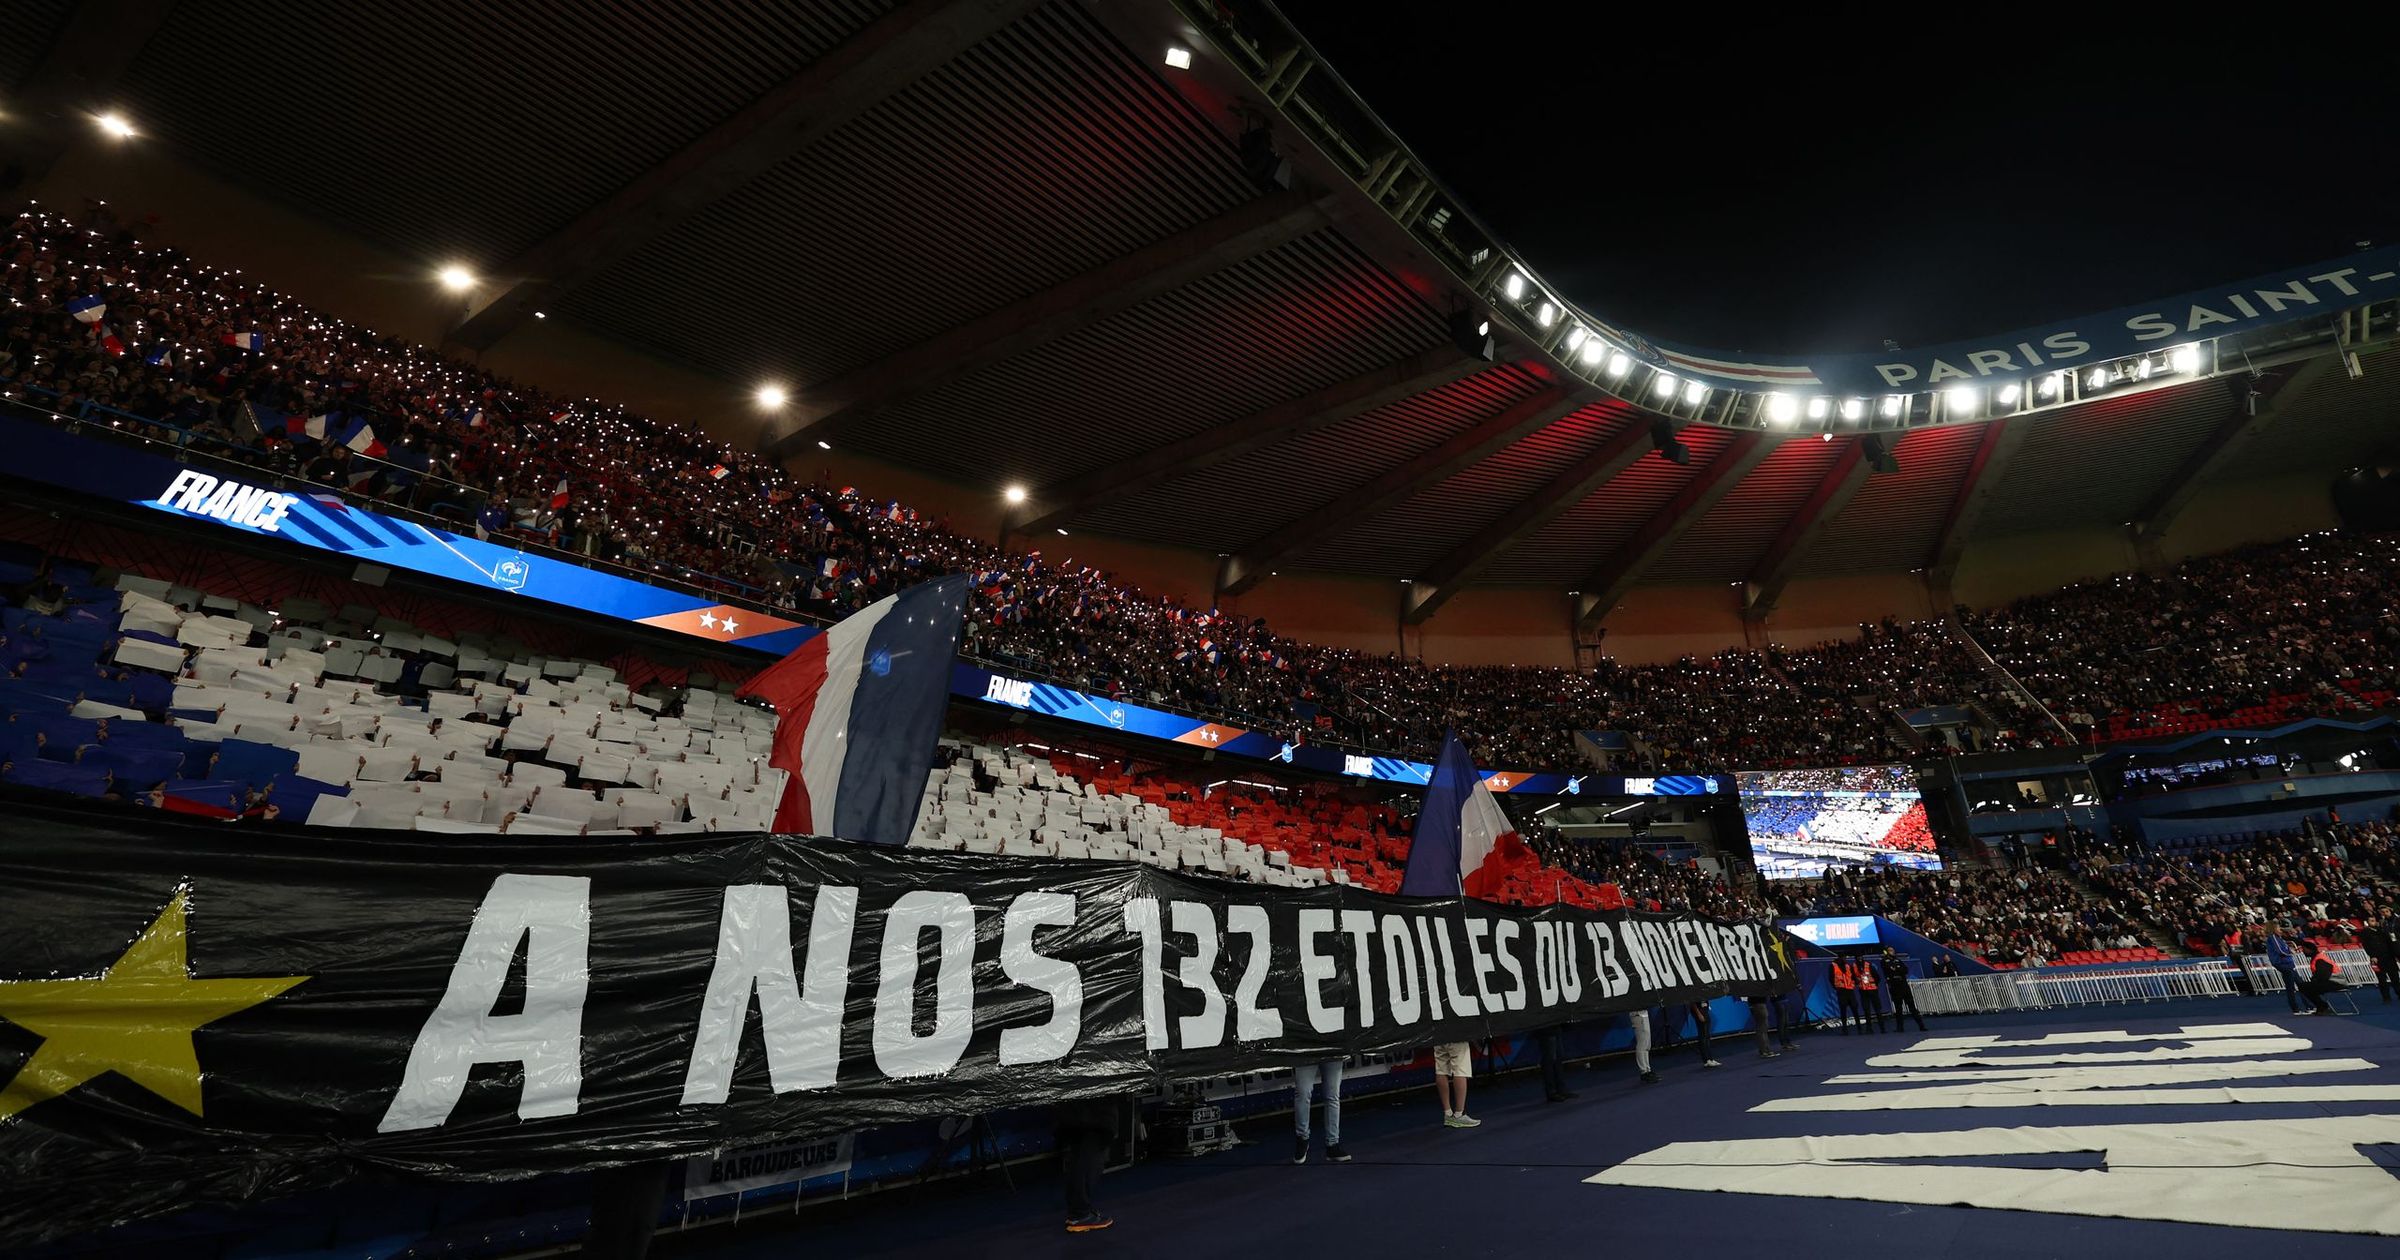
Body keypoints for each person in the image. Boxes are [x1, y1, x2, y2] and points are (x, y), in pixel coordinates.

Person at [1054, 1097, 1119, 1233]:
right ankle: (1080, 1214)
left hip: (1077, 1110)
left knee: (1079, 1157)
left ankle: (1079, 1211)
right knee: (1089, 1159)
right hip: (1092, 1114)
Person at [1292, 1058, 1352, 1163]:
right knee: (1303, 1093)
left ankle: (1332, 1145)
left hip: (1332, 1050)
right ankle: (1302, 1139)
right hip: (1306, 1050)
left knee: (1332, 1095)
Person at [1432, 1041, 1480, 1127]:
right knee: (1460, 1069)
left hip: (1438, 1034)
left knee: (1440, 1069)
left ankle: (1447, 1113)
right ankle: (1459, 1115)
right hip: (1456, 1034)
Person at [1880, 947, 1928, 1032]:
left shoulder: (1898, 960)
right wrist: (1896, 970)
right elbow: (1888, 970)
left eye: (1893, 950)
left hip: (1904, 985)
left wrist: (1897, 969)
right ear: (1887, 952)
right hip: (1895, 986)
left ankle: (1921, 1025)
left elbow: (1905, 970)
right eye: (1890, 950)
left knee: (1912, 1006)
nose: (1892, 951)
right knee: (1898, 1008)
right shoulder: (1884, 961)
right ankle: (1900, 1027)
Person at [2297, 942, 2348, 1016]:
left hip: (2336, 982)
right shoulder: (2318, 957)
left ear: (2309, 949)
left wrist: (2314, 981)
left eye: (2304, 949)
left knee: (2304, 987)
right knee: (2306, 987)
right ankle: (2322, 1006)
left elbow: (2323, 975)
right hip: (2332, 981)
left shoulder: (2320, 959)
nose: (2303, 951)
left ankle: (2323, 1006)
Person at [2265, 926, 2305, 1013]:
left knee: (2299, 984)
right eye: (2279, 928)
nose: (2281, 930)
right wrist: (2290, 952)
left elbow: (2284, 949)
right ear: (2274, 929)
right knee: (2293, 986)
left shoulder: (2280, 939)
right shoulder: (2273, 938)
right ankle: (2297, 1008)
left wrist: (2291, 950)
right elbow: (2280, 951)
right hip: (2282, 963)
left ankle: (2305, 1006)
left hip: (2288, 964)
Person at [2364, 907, 2400, 1004]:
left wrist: (2395, 954)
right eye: (2371, 921)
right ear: (2367, 922)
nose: (2374, 922)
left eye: (2374, 920)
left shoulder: (2382, 930)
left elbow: (2390, 943)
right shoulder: (2365, 933)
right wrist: (2372, 956)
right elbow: (2366, 946)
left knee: (2395, 977)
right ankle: (2386, 997)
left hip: (2389, 956)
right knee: (2382, 980)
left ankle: (2398, 993)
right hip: (2377, 959)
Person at [1535, 1024, 1579, 1102]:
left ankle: (1561, 1089)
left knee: (1558, 1058)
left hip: (1555, 1027)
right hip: (1546, 1029)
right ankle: (1552, 1092)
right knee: (1549, 1060)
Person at [1831, 955, 1862, 1033]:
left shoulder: (1848, 966)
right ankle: (1844, 1029)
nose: (1845, 959)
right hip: (1841, 991)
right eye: (1844, 958)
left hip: (1850, 990)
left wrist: (1856, 982)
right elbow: (1831, 978)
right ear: (1839, 958)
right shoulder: (1833, 965)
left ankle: (1859, 1028)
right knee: (1843, 1010)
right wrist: (1837, 987)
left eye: (1845, 958)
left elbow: (1853, 977)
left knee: (1855, 1009)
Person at [1628, 1009, 1660, 1084]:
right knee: (1642, 1043)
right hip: (1637, 1014)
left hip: (1644, 1014)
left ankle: (1648, 1069)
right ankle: (1644, 1071)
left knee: (1647, 1043)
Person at [1688, 1001, 1721, 1069]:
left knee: (1707, 1036)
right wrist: (1699, 1014)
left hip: (1704, 1010)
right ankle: (1706, 1060)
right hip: (1700, 1012)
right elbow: (1692, 1003)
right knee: (1703, 1036)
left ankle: (1710, 1059)